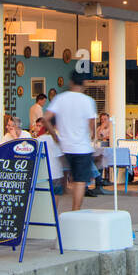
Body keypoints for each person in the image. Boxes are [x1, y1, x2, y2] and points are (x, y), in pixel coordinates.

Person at [45, 72, 97, 211]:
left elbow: (46, 118)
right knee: (79, 180)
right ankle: (75, 210)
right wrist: (90, 135)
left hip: (65, 146)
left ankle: (56, 210)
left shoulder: (60, 98)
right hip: (82, 147)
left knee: (65, 176)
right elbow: (91, 124)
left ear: (71, 82)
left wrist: (55, 136)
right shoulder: (88, 100)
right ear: (83, 83)